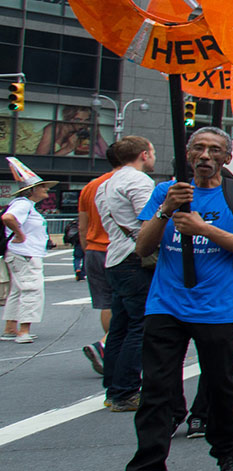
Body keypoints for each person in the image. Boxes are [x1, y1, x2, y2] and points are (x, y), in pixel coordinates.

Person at [88, 128, 233, 471]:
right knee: (156, 392)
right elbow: (143, 246)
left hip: (216, 309)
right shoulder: (165, 192)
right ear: (188, 154)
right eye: (199, 149)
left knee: (220, 386)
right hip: (166, 305)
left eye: (215, 150)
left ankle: (228, 453)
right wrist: (165, 210)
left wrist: (204, 229)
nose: (206, 155)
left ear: (226, 158)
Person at [97, 136, 156, 412]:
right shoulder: (139, 181)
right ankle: (127, 391)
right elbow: (150, 219)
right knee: (139, 326)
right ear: (144, 154)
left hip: (115, 258)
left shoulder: (105, 184)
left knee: (119, 328)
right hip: (135, 259)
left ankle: (113, 388)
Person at [2, 160, 54, 344]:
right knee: (32, 290)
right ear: (32, 190)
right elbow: (7, 217)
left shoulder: (23, 204)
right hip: (25, 254)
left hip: (20, 253)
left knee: (18, 290)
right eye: (42, 187)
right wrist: (20, 235)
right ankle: (23, 331)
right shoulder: (24, 204)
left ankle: (10, 328)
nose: (46, 190)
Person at [79, 150, 121, 376]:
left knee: (106, 303)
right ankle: (107, 347)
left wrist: (88, 250)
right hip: (117, 251)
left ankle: (108, 351)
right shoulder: (128, 183)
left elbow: (82, 225)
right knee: (130, 305)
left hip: (94, 250)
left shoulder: (90, 186)